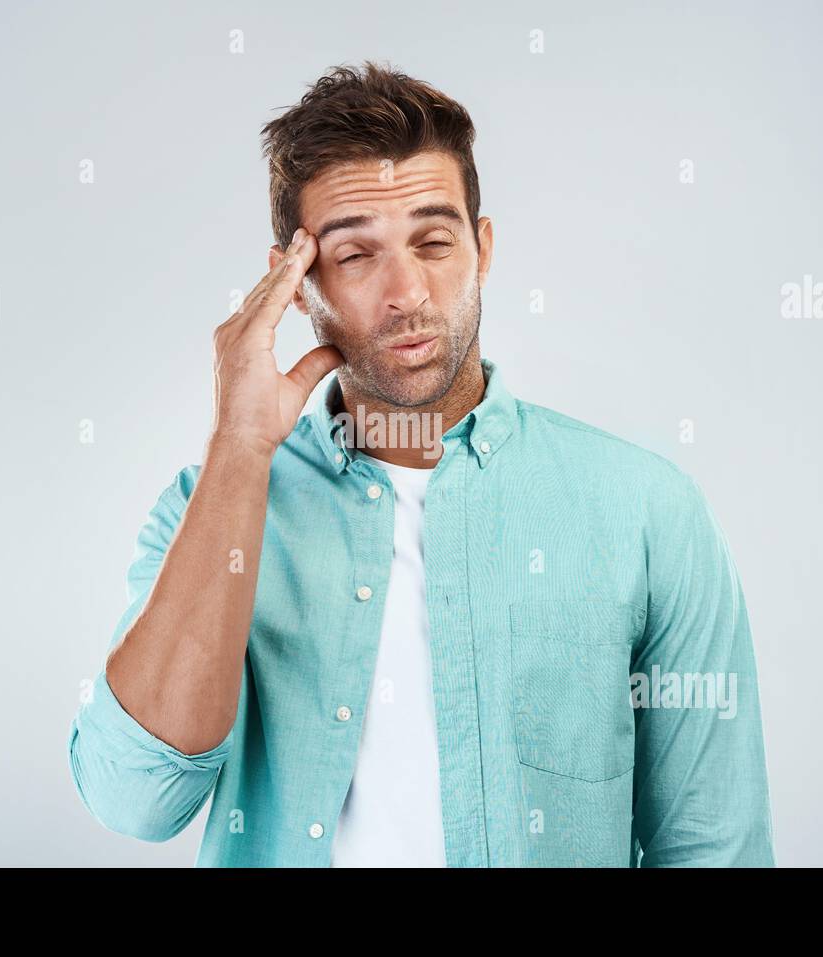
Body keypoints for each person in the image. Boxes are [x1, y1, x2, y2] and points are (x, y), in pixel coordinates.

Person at [68, 60, 775, 867]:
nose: (406, 290)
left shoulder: (649, 510)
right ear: (294, 286)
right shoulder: (207, 509)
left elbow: (715, 848)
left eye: (434, 242)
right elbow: (136, 799)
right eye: (357, 254)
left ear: (482, 247)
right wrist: (238, 446)